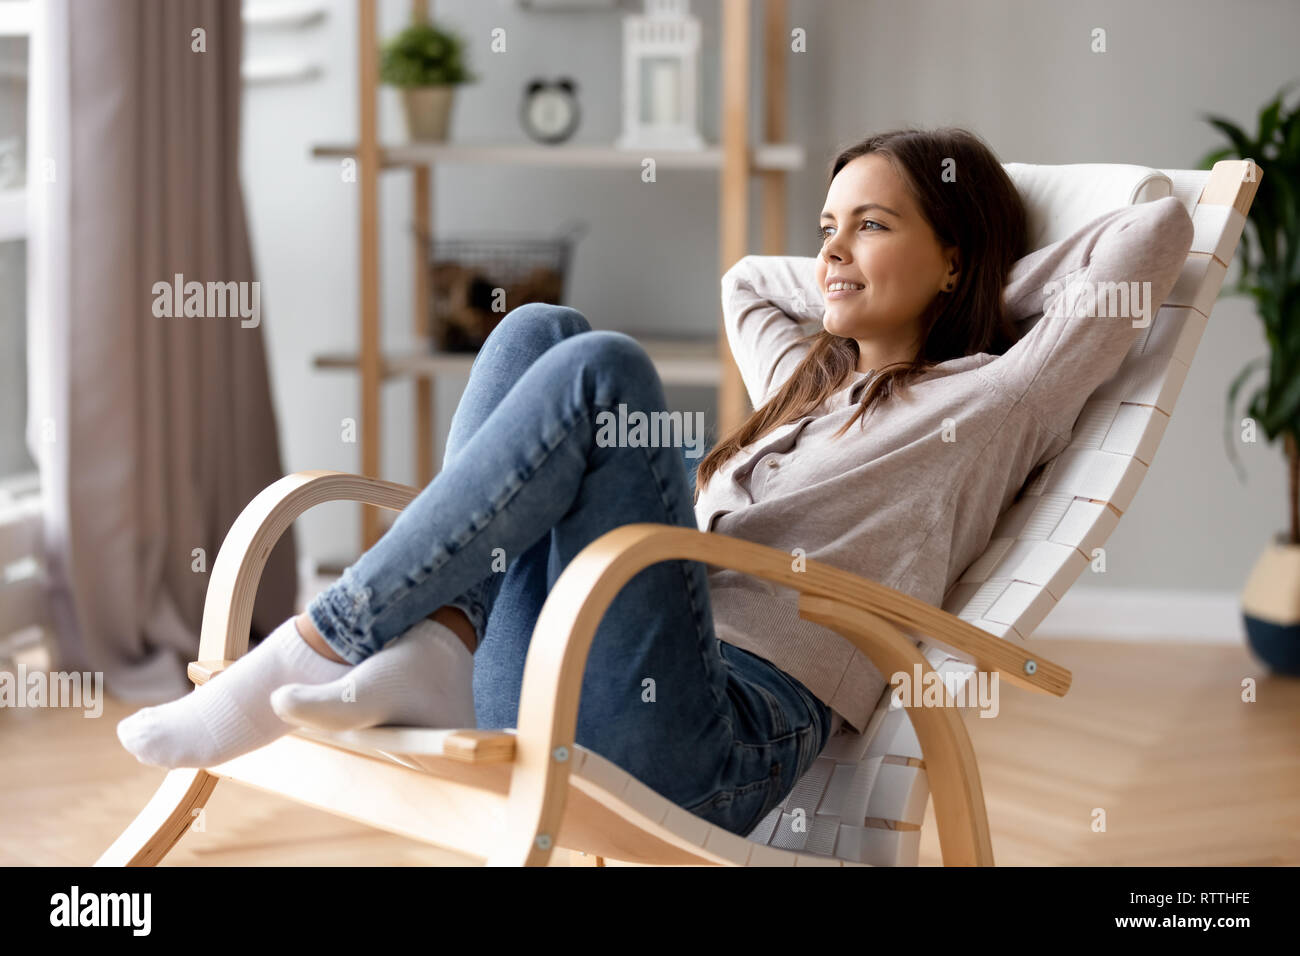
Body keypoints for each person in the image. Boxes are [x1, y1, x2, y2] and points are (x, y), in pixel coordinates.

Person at [117, 127, 1194, 839]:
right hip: (582, 665)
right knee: (541, 326)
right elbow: (748, 285)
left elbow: (1157, 234)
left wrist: (993, 282)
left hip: (707, 734)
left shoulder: (995, 398)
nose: (829, 252)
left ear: (957, 259)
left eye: (871, 223)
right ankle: (444, 643)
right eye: (826, 225)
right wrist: (864, 259)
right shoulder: (805, 388)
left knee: (603, 370)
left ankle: (322, 639)